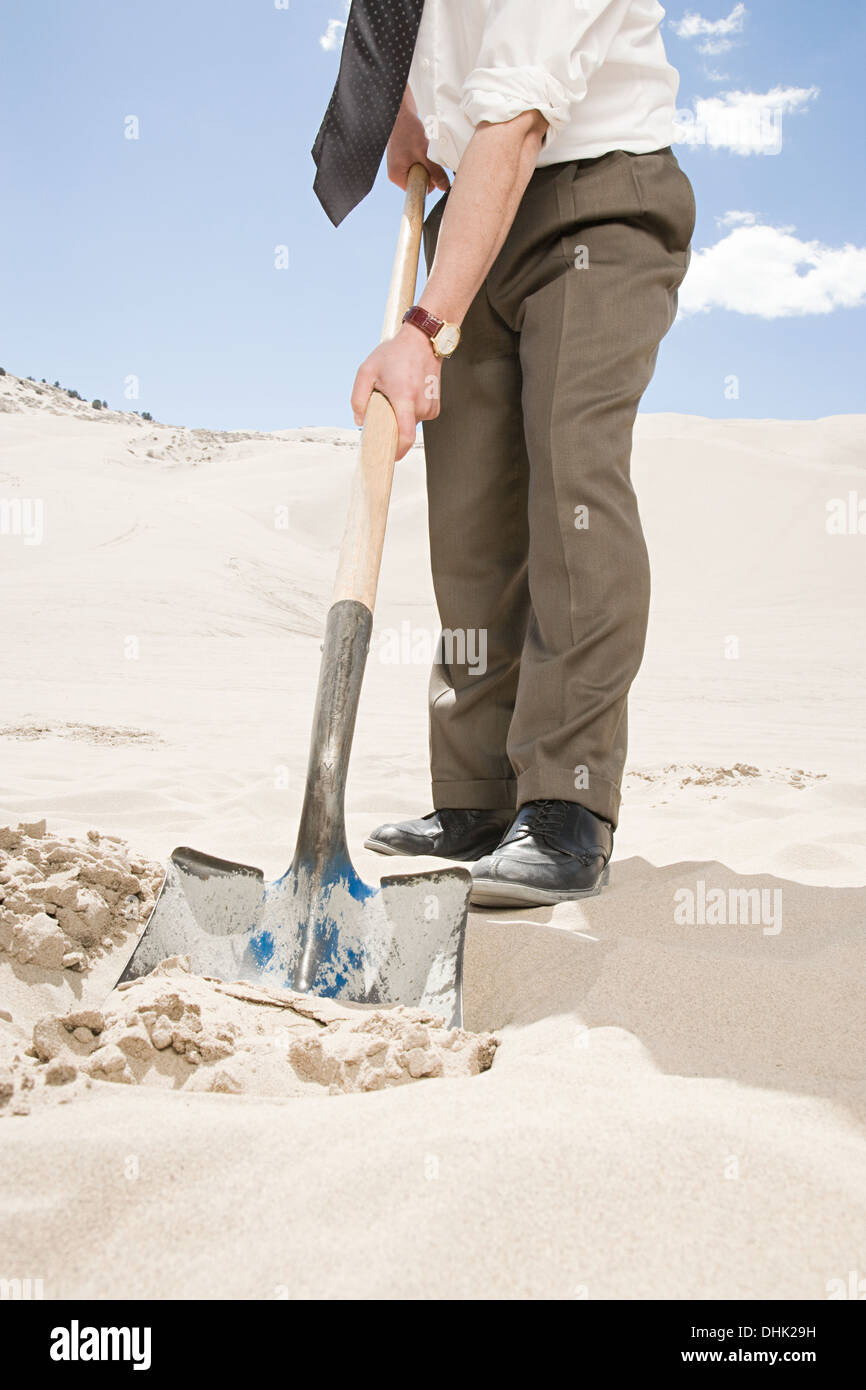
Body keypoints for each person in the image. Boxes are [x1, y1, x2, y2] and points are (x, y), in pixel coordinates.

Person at [317, 1, 695, 907]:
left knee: (572, 481)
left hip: (597, 197)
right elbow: (436, 85)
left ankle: (566, 804)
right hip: (476, 214)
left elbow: (519, 116)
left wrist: (421, 328)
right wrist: (409, 107)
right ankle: (479, 799)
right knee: (470, 520)